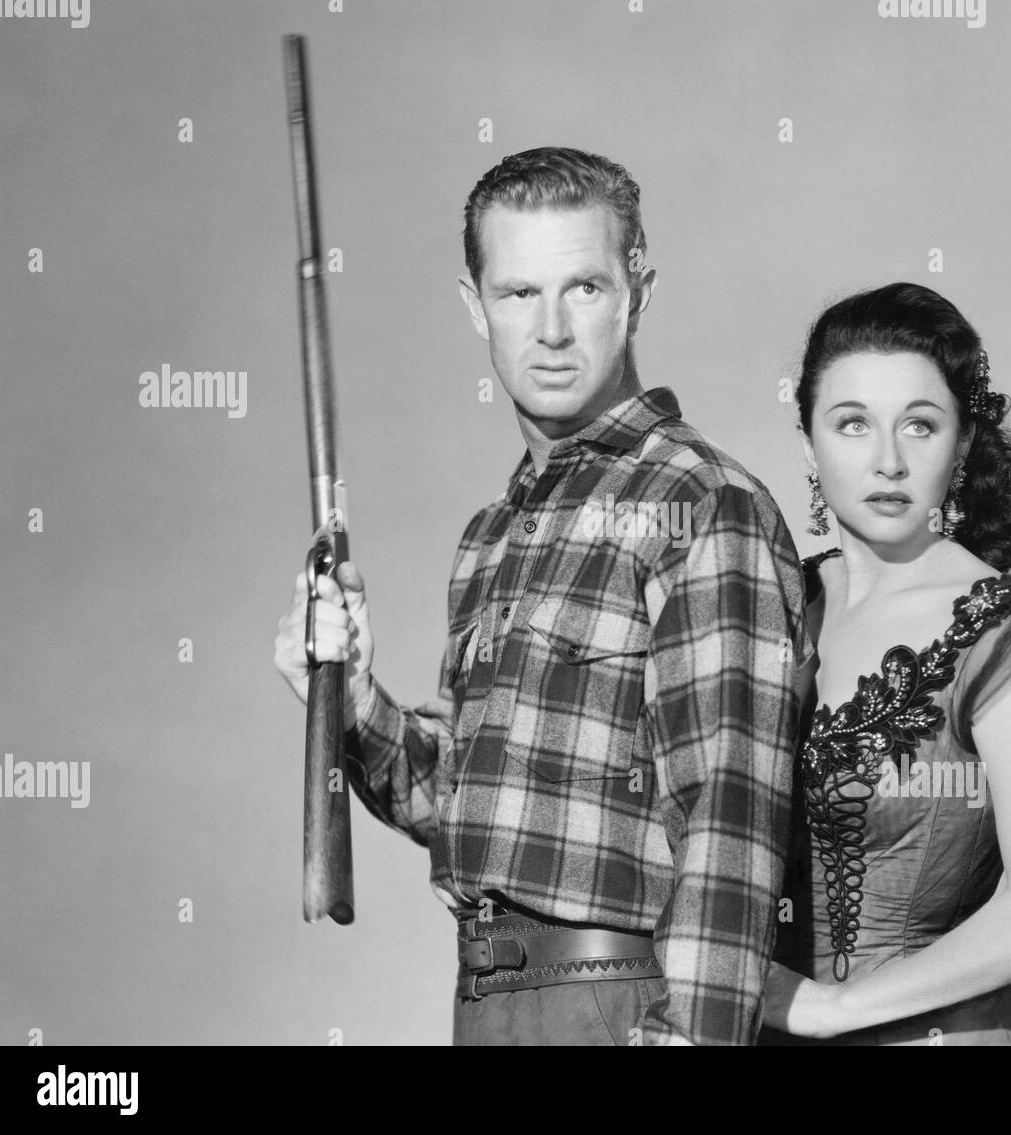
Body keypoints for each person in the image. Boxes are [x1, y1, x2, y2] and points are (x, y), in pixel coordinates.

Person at [274, 147, 810, 1046]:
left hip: (621, 1003)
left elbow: (730, 824)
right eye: (520, 293)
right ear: (472, 303)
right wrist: (349, 695)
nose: (551, 329)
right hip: (487, 1005)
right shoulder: (492, 533)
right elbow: (460, 806)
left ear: (638, 291)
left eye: (585, 288)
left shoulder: (697, 503)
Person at [760, 282, 1011, 1045]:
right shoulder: (774, 603)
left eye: (919, 424)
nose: (887, 460)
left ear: (963, 442)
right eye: (852, 424)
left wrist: (830, 1008)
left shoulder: (1005, 634)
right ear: (808, 444)